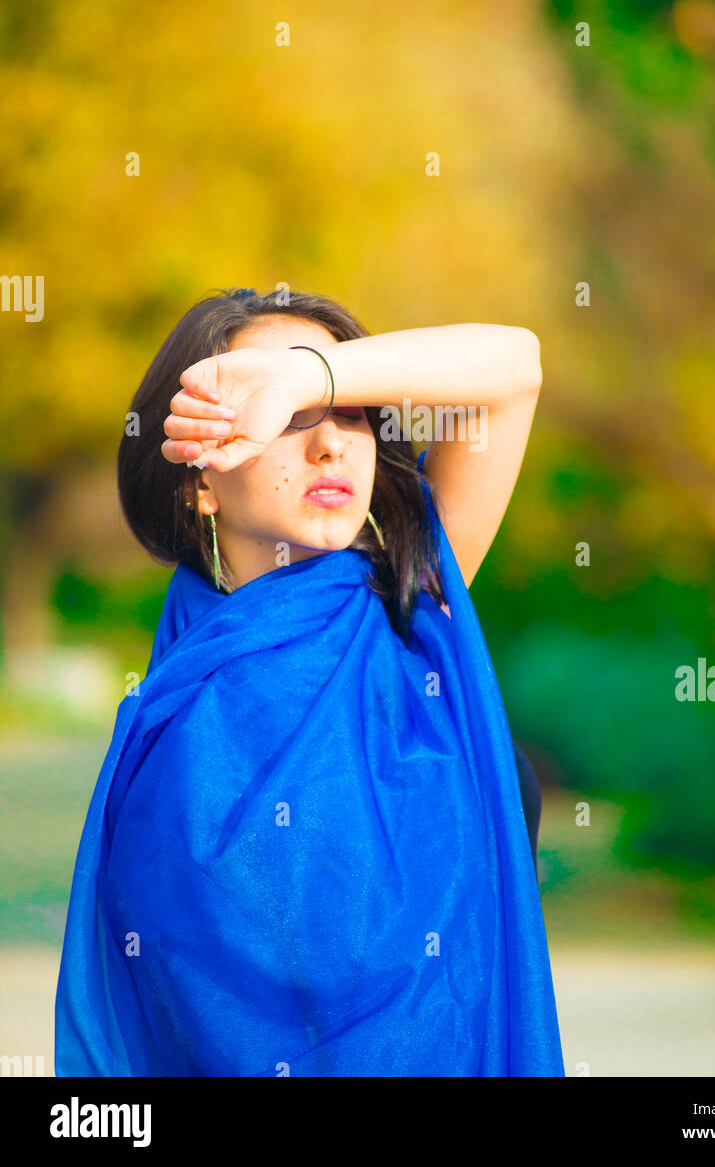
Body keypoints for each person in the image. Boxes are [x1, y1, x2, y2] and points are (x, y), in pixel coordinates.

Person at [54, 287, 564, 1076]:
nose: (329, 446)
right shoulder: (176, 729)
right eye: (286, 421)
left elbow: (513, 367)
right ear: (200, 478)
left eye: (349, 410)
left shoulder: (411, 605)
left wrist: (300, 379)